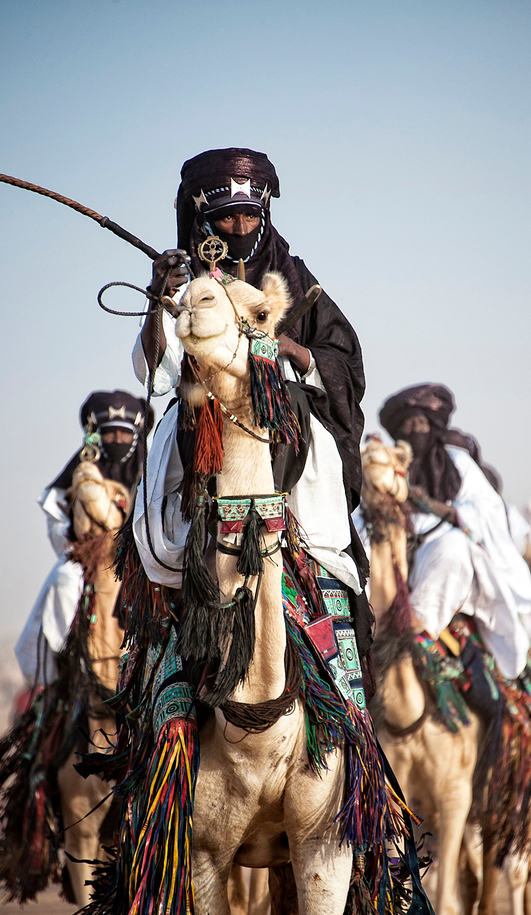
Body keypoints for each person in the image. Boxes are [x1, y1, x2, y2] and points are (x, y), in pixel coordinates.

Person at [130, 146, 373, 676]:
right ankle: (158, 678)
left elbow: (344, 357)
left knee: (325, 512)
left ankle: (345, 688)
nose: (238, 225)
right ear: (205, 220)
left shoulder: (297, 276)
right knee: (158, 511)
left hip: (288, 425)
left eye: (248, 215)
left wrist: (296, 353)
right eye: (225, 217)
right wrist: (157, 298)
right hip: (203, 423)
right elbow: (155, 368)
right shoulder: (187, 285)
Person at [376, 383, 531, 679]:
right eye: (409, 424)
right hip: (396, 549)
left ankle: (416, 627)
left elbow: (489, 511)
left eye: (422, 423)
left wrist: (431, 506)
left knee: (454, 548)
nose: (416, 430)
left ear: (434, 427)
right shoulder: (391, 465)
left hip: (439, 551)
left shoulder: (457, 463)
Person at [15, 390, 152, 685]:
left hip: (140, 556)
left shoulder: (149, 464)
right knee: (64, 580)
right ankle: (65, 665)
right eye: (110, 433)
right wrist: (76, 542)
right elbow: (56, 514)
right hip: (89, 559)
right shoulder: (83, 466)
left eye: (123, 434)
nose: (117, 440)